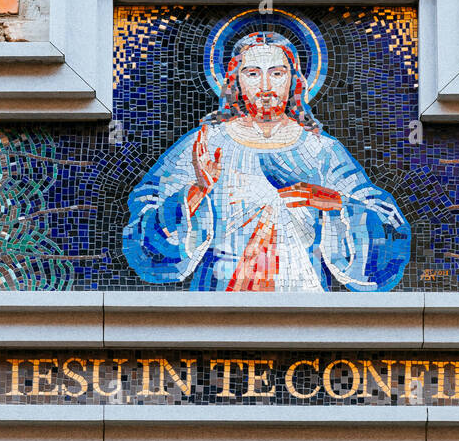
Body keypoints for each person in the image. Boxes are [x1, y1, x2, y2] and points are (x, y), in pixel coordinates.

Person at [123, 31, 410, 291]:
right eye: (252, 74)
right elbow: (142, 232)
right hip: (220, 294)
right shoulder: (207, 143)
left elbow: (387, 228)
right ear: (235, 81)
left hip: (303, 294)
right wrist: (197, 190)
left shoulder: (321, 149)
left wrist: (330, 200)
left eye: (276, 73)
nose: (265, 87)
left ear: (294, 80)